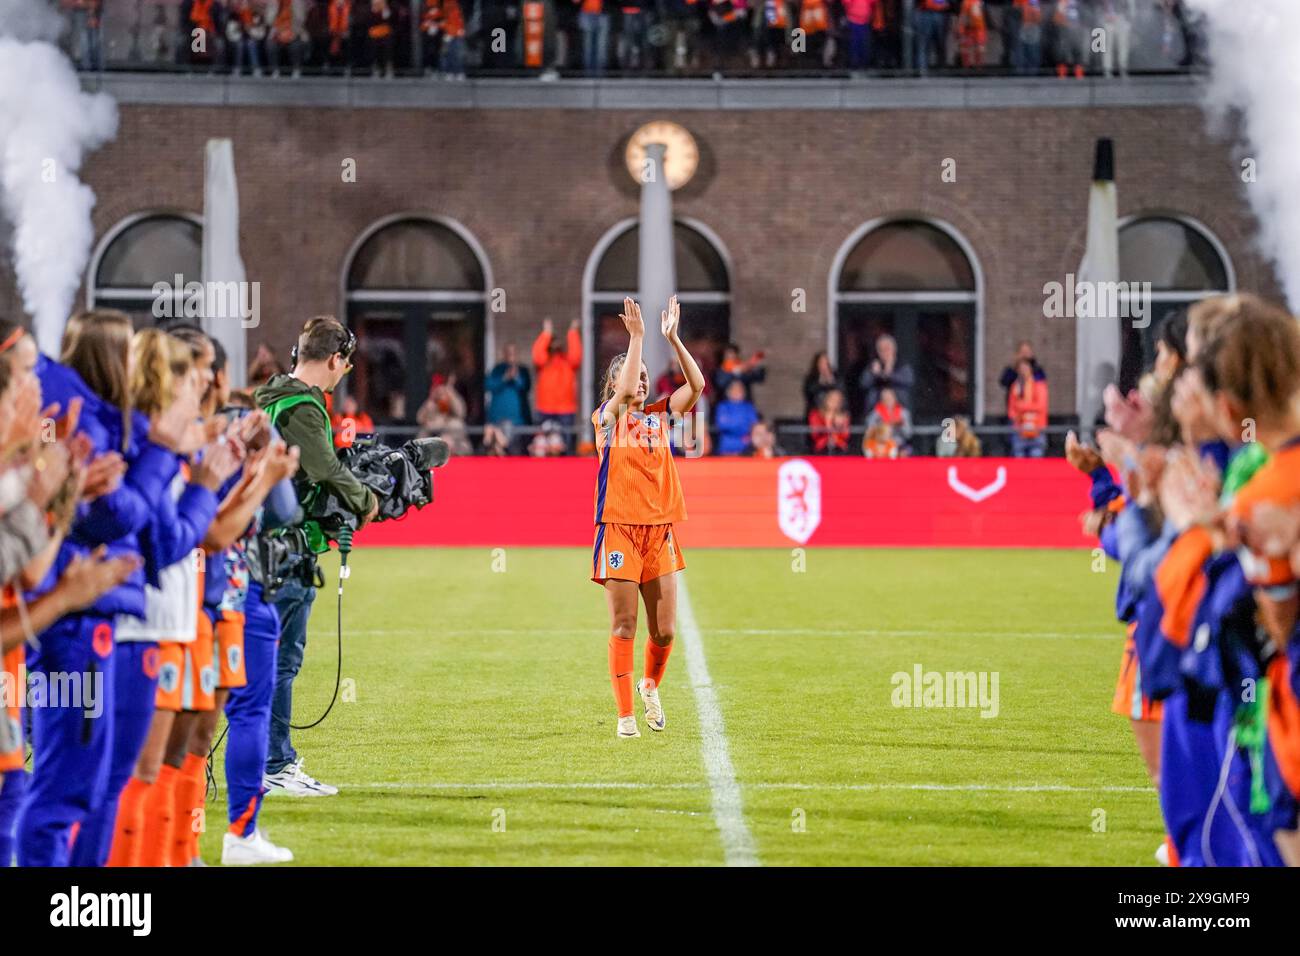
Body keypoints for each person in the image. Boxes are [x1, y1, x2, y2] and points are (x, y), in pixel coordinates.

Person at [254, 317, 378, 800]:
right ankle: (275, 764)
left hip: (263, 543)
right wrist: (363, 498)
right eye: (344, 365)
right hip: (289, 546)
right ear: (333, 360)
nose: (342, 374)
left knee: (266, 658)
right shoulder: (304, 405)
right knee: (282, 661)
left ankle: (263, 760)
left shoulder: (270, 393)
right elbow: (322, 466)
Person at [591, 295, 704, 738]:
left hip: (660, 532)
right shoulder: (606, 419)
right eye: (631, 377)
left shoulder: (659, 417)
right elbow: (619, 397)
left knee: (665, 632)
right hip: (619, 530)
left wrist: (673, 340)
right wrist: (636, 338)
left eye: (643, 376)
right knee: (624, 624)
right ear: (613, 386)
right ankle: (624, 717)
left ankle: (649, 685)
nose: (639, 382)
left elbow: (695, 387)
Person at [532, 319, 582, 452]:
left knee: (566, 447)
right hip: (544, 408)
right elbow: (537, 356)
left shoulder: (568, 362)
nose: (555, 345)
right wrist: (546, 334)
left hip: (566, 409)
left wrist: (573, 333)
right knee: (542, 446)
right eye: (552, 343)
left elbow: (576, 356)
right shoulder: (544, 362)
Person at [485, 343, 532, 449]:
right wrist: (504, 378)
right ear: (504, 354)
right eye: (508, 353)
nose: (511, 356)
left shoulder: (523, 371)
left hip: (518, 420)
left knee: (516, 450)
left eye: (513, 353)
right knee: (497, 449)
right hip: (497, 419)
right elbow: (488, 385)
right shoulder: (497, 370)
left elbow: (526, 387)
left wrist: (516, 377)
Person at [858, 333, 913, 414]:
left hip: (899, 410)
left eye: (887, 349)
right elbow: (863, 384)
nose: (884, 352)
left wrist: (888, 374)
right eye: (881, 350)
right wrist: (874, 374)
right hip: (876, 411)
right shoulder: (873, 365)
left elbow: (909, 381)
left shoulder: (902, 364)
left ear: (894, 349)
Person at [417, 374, 472, 455]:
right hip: (434, 450)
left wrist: (450, 392)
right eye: (439, 393)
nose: (441, 397)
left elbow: (461, 412)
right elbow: (420, 419)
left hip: (456, 451)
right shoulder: (431, 404)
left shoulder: (455, 419)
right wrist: (431, 400)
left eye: (443, 393)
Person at [1007, 357, 1048, 457]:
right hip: (1020, 431)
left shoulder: (1040, 386)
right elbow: (1011, 409)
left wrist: (1022, 406)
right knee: (1019, 463)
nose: (1023, 371)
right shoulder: (1015, 387)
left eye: (1025, 367)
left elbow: (1040, 406)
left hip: (1036, 430)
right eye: (1020, 368)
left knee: (1036, 461)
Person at [714, 379, 760, 456]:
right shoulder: (723, 406)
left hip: (746, 445)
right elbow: (722, 425)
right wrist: (742, 425)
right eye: (735, 389)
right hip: (727, 445)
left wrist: (735, 424)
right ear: (729, 392)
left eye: (740, 389)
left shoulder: (749, 407)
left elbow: (754, 425)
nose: (738, 391)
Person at [866, 386, 911, 451]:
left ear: (895, 398)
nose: (888, 400)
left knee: (906, 451)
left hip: (899, 444)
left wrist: (901, 425)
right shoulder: (875, 414)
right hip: (881, 444)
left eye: (890, 397)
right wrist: (882, 425)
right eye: (885, 398)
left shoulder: (903, 413)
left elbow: (908, 434)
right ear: (881, 400)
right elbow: (869, 430)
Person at [809, 387, 850, 454]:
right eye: (832, 399)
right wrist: (828, 421)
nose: (835, 402)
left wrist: (839, 426)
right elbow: (815, 435)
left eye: (838, 400)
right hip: (821, 447)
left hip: (839, 448)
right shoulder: (815, 414)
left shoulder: (844, 415)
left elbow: (845, 436)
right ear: (826, 399)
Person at [803, 351, 842, 416]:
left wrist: (830, 380)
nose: (824, 365)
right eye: (821, 362)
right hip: (817, 412)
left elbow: (841, 391)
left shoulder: (836, 377)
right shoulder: (812, 378)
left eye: (826, 362)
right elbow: (809, 393)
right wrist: (820, 382)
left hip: (833, 413)